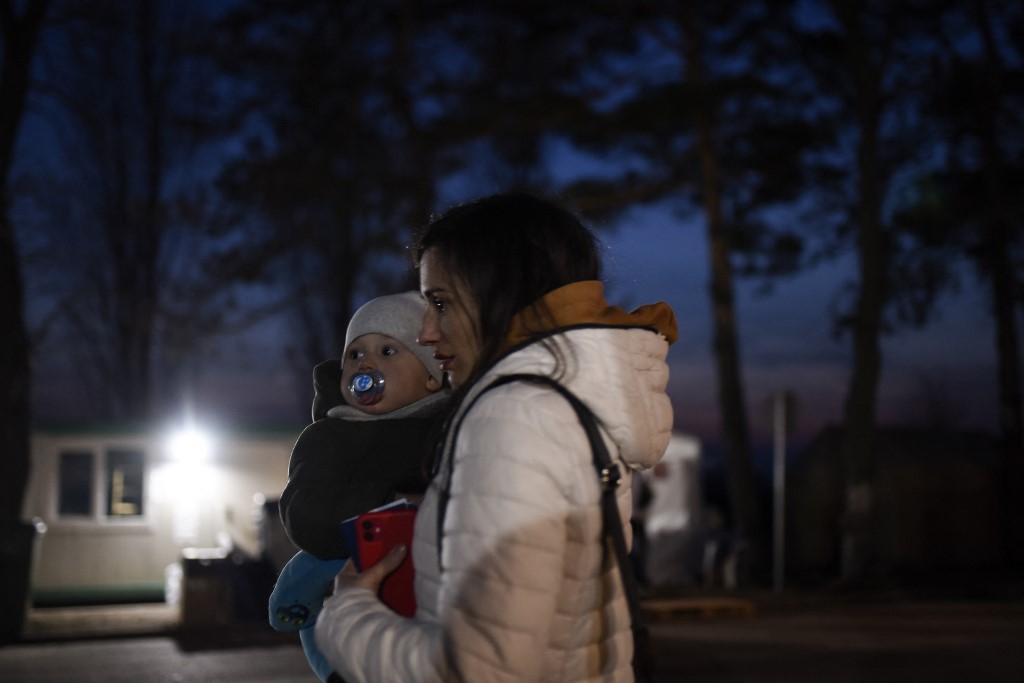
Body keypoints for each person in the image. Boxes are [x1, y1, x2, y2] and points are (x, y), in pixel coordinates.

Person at [314, 192, 679, 682]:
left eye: (440, 303)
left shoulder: (515, 418)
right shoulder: (568, 401)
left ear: (500, 293)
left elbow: (476, 671)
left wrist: (346, 615)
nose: (425, 332)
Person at [269, 290, 446, 683]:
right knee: (314, 567)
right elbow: (306, 513)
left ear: (432, 377)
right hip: (347, 559)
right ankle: (320, 643)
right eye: (355, 354)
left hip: (427, 585)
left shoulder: (449, 431)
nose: (365, 362)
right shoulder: (329, 435)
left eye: (387, 352)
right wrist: (386, 504)